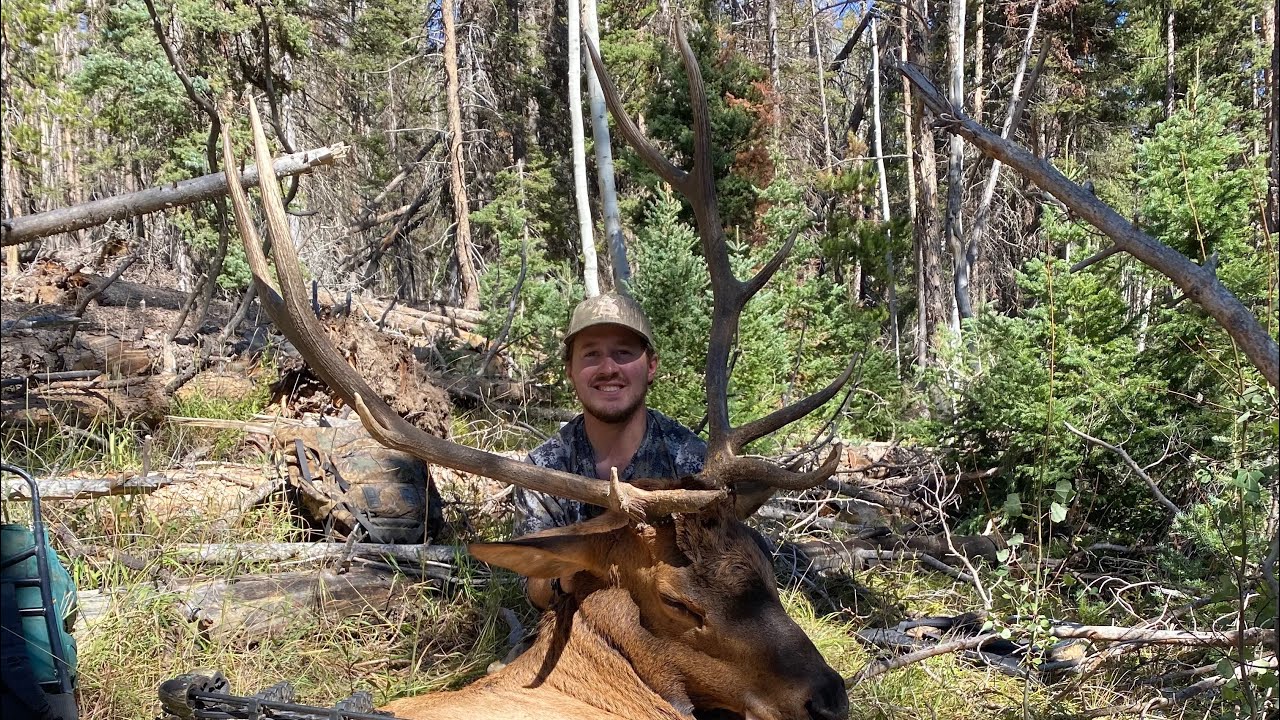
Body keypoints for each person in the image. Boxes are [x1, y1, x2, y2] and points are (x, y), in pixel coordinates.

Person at [512, 292, 707, 609]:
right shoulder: (541, 470)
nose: (608, 368)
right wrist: (571, 569)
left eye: (623, 353)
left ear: (651, 366)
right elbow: (533, 587)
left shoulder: (691, 460)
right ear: (570, 371)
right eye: (591, 355)